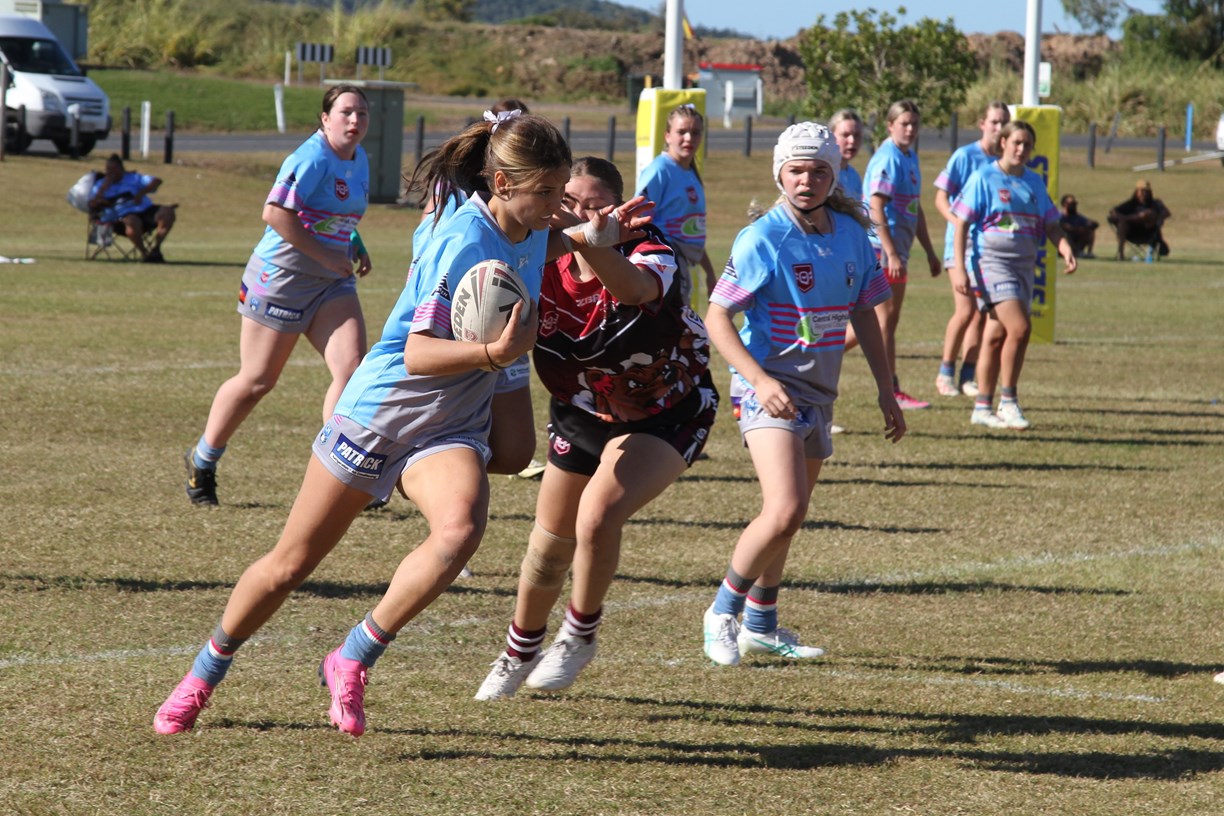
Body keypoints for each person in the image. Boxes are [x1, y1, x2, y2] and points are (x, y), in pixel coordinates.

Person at [153, 112, 650, 738]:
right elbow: (416, 354)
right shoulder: (463, 239)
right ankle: (202, 675)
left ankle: (352, 656)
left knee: (460, 530)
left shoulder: (527, 225)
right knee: (290, 564)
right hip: (383, 412)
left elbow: (539, 244)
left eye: (560, 193)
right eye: (547, 192)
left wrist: (589, 234)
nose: (557, 206)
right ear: (502, 183)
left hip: (449, 425)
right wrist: (494, 354)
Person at [473, 157, 719, 701]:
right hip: (581, 408)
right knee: (547, 545)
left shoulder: (647, 246)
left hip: (667, 408)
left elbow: (633, 291)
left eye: (595, 205)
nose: (579, 214)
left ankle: (579, 635)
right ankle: (519, 650)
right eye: (568, 202)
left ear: (617, 206)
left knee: (598, 515)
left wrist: (591, 240)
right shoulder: (533, 256)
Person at [700, 123, 906, 667]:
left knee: (790, 515)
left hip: (818, 391)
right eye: (795, 170)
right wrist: (760, 381)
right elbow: (717, 318)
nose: (806, 180)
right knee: (785, 508)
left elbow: (866, 310)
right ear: (779, 174)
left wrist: (886, 388)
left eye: (818, 171)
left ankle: (761, 624)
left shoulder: (851, 235)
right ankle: (722, 611)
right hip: (769, 388)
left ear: (833, 176)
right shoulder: (763, 238)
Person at [182, 85, 373, 506]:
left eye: (361, 113)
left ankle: (340, 474)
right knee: (257, 381)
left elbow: (335, 214)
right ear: (325, 118)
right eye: (346, 112)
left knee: (352, 371)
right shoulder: (310, 158)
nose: (355, 120)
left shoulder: (359, 158)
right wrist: (327, 254)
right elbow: (275, 213)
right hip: (280, 278)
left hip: (330, 282)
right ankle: (203, 459)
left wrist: (353, 242)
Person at [412, 98, 537, 479]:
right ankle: (429, 463)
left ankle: (451, 459)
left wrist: (590, 237)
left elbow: (540, 247)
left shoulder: (534, 213)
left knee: (515, 453)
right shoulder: (464, 220)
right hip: (462, 322)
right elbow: (429, 238)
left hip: (501, 320)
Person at [950, 120, 1077, 431]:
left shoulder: (1034, 182)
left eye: (1027, 144)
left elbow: (1051, 224)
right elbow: (961, 223)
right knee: (1020, 328)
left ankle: (982, 407)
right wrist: (960, 268)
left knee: (995, 336)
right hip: (991, 264)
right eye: (1016, 142)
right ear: (1003, 142)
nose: (1021, 149)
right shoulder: (984, 177)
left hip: (1024, 267)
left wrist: (1064, 247)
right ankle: (1008, 401)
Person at [845, 99, 942, 411]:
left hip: (897, 252)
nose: (910, 129)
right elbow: (875, 207)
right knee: (882, 320)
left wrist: (929, 251)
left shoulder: (909, 157)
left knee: (886, 320)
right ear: (890, 126)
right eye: (904, 123)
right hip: (881, 251)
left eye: (915, 124)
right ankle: (891, 388)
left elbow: (914, 208)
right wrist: (890, 253)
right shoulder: (888, 158)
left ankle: (822, 353)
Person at [932, 101, 1010, 398]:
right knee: (965, 310)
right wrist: (957, 222)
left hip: (985, 249)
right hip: (959, 245)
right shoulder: (965, 156)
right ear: (982, 124)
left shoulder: (1003, 162)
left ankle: (967, 376)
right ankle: (945, 373)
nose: (998, 127)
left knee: (980, 314)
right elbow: (940, 198)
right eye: (994, 121)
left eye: (1003, 122)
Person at [636, 103, 716, 304]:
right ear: (667, 136)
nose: (689, 138)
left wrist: (709, 272)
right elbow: (638, 218)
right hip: (666, 262)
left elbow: (692, 231)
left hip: (683, 263)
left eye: (695, 132)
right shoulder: (660, 170)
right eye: (681, 132)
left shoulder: (690, 173)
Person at [87, 154, 177, 263]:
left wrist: (141, 193)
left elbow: (156, 181)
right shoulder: (100, 185)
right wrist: (103, 189)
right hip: (121, 216)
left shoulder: (133, 178)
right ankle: (145, 253)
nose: (111, 172)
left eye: (114, 169)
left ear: (121, 169)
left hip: (145, 209)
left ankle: (156, 249)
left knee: (167, 212)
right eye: (108, 169)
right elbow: (92, 204)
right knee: (132, 221)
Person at [1107, 179, 1171, 261]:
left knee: (1148, 213)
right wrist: (1120, 217)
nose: (1144, 193)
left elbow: (1167, 213)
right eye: (1141, 191)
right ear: (1136, 192)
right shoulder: (1130, 204)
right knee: (1122, 223)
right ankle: (1121, 253)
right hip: (1131, 234)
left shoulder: (1156, 203)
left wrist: (1158, 218)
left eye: (1146, 191)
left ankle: (1128, 218)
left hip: (1148, 233)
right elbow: (1113, 211)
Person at [828, 108, 865, 202]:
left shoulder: (854, 176)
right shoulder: (824, 173)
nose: (852, 141)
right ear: (831, 136)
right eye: (845, 135)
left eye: (857, 135)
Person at [1059, 194, 1098, 259]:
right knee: (1065, 234)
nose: (1074, 206)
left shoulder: (1077, 216)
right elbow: (1064, 226)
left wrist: (1089, 225)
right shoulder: (1059, 215)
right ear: (1065, 204)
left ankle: (1088, 252)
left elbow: (1092, 223)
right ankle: (1074, 252)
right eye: (1071, 204)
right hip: (1064, 241)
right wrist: (1077, 229)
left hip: (1077, 239)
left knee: (1090, 231)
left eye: (1074, 204)